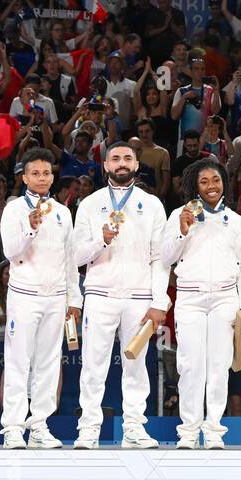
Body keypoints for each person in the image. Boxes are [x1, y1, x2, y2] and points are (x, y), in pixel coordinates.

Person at [72, 141, 169, 449]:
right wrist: (100, 240)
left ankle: (134, 428)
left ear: (137, 165)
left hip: (139, 296)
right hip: (100, 293)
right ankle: (88, 429)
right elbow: (75, 256)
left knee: (136, 365)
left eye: (128, 158)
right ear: (105, 166)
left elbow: (161, 258)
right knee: (93, 364)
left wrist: (158, 301)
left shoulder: (152, 204)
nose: (122, 163)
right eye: (116, 158)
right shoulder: (89, 204)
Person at [161, 160, 241, 449]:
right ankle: (189, 430)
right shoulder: (180, 214)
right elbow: (165, 257)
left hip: (226, 297)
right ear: (194, 185)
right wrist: (182, 230)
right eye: (204, 182)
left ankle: (214, 429)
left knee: (219, 364)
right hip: (190, 297)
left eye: (216, 180)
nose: (211, 186)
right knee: (190, 365)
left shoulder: (236, 221)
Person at [0, 148, 82, 449]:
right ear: (24, 177)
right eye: (35, 173)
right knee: (18, 361)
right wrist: (30, 229)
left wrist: (75, 298)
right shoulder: (14, 209)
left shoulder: (61, 212)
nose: (42, 178)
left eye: (46, 173)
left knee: (49, 363)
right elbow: (10, 251)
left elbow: (70, 259)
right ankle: (12, 427)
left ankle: (39, 426)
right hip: (24, 296)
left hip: (56, 296)